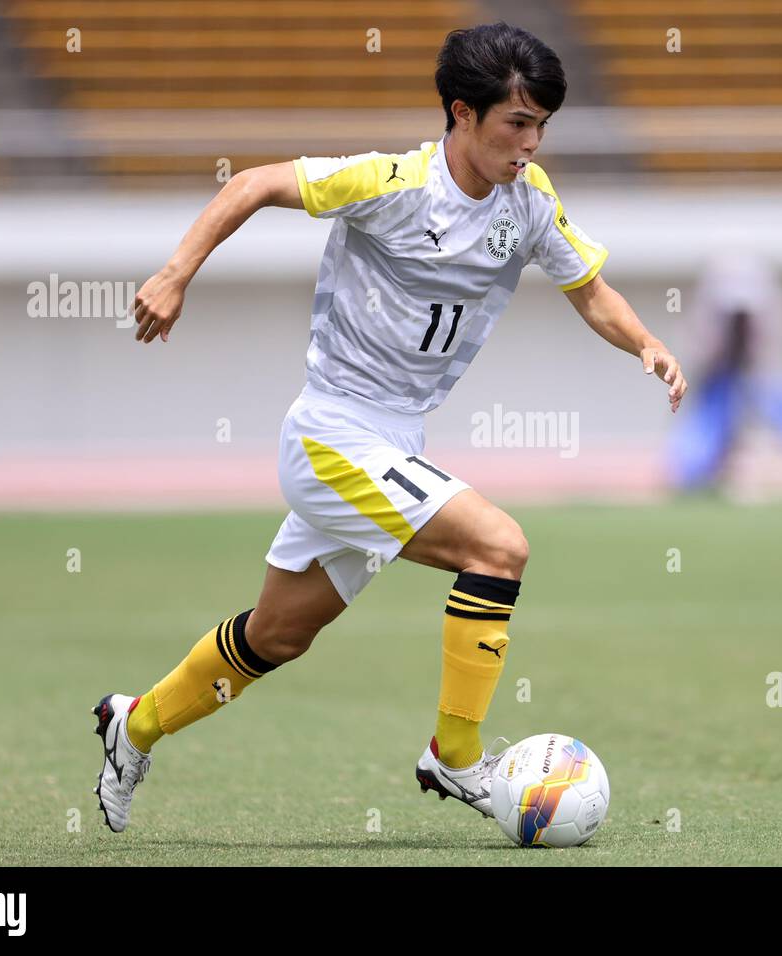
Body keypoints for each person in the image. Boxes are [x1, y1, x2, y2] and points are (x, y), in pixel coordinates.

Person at [92, 22, 687, 832]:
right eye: (518, 123)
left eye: (542, 125)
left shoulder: (531, 198)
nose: (531, 142)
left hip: (395, 440)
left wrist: (647, 344)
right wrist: (174, 273)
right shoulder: (391, 182)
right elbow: (257, 184)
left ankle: (135, 725)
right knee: (498, 547)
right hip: (334, 436)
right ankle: (457, 754)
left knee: (278, 635)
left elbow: (589, 289)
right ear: (461, 113)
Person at [668, 254, 782, 494]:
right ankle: (703, 480)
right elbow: (702, 354)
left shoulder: (771, 324)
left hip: (761, 377)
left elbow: (771, 350)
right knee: (690, 462)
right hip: (719, 380)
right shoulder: (706, 324)